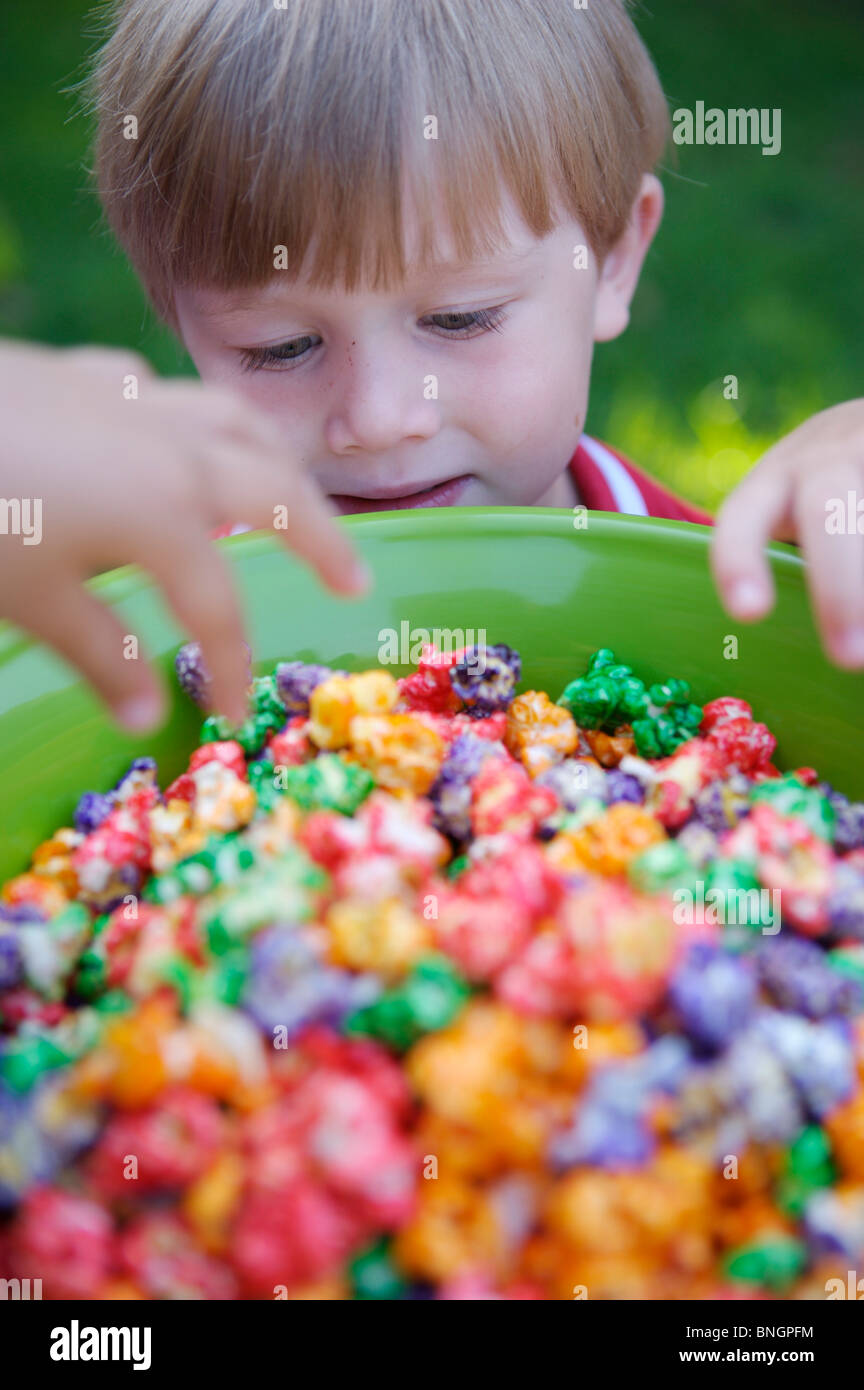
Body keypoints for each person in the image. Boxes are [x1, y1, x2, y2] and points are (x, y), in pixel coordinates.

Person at [2, 0, 862, 728]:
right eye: (282, 346)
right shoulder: (123, 604)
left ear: (611, 260)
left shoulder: (729, 604)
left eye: (461, 318)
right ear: (175, 316)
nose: (379, 418)